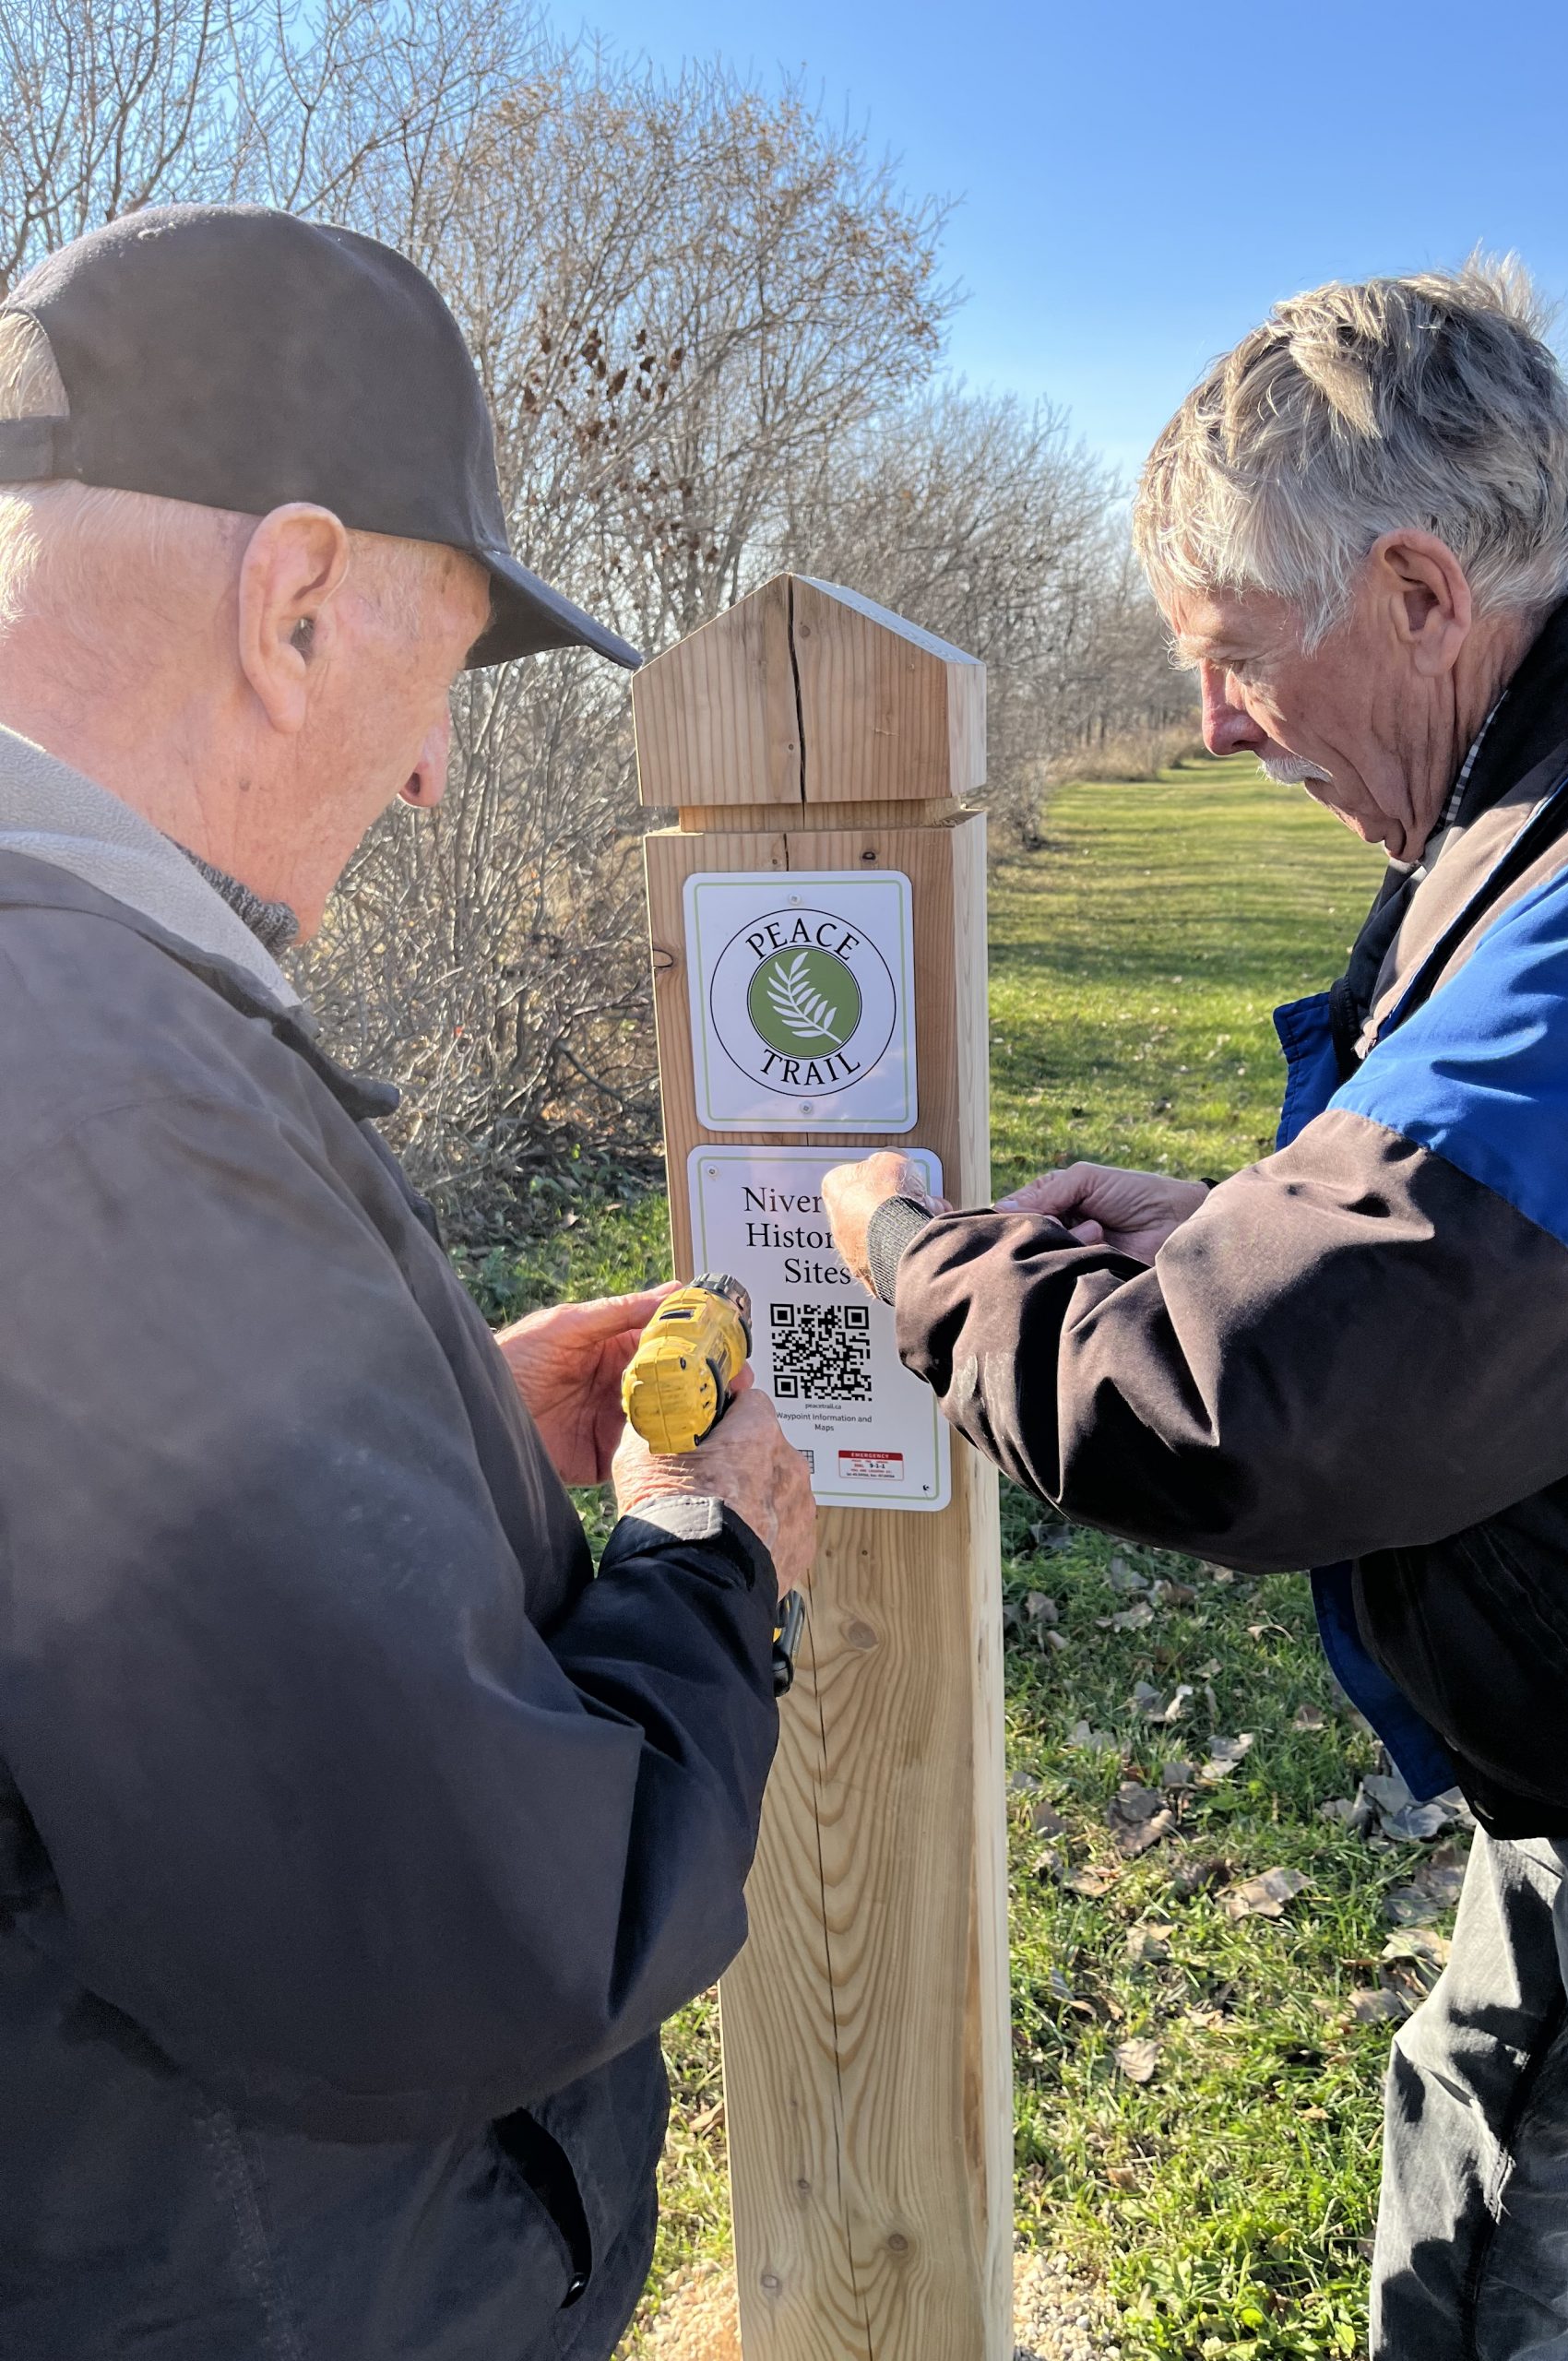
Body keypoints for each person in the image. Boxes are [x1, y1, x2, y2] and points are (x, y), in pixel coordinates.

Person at [825, 258, 1568, 2361]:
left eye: (1242, 659)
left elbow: (1245, 1407)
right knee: (1480, 2130)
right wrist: (1236, 1207)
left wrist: (911, 1251)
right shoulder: (1559, 800)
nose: (1210, 725)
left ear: (1425, 592)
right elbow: (1485, 1221)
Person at [0, 205, 814, 2361]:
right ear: (291, 600)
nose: (445, 766)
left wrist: (441, 1442)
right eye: (441, 669)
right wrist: (706, 1561)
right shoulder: (86, 1081)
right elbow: (474, 1923)